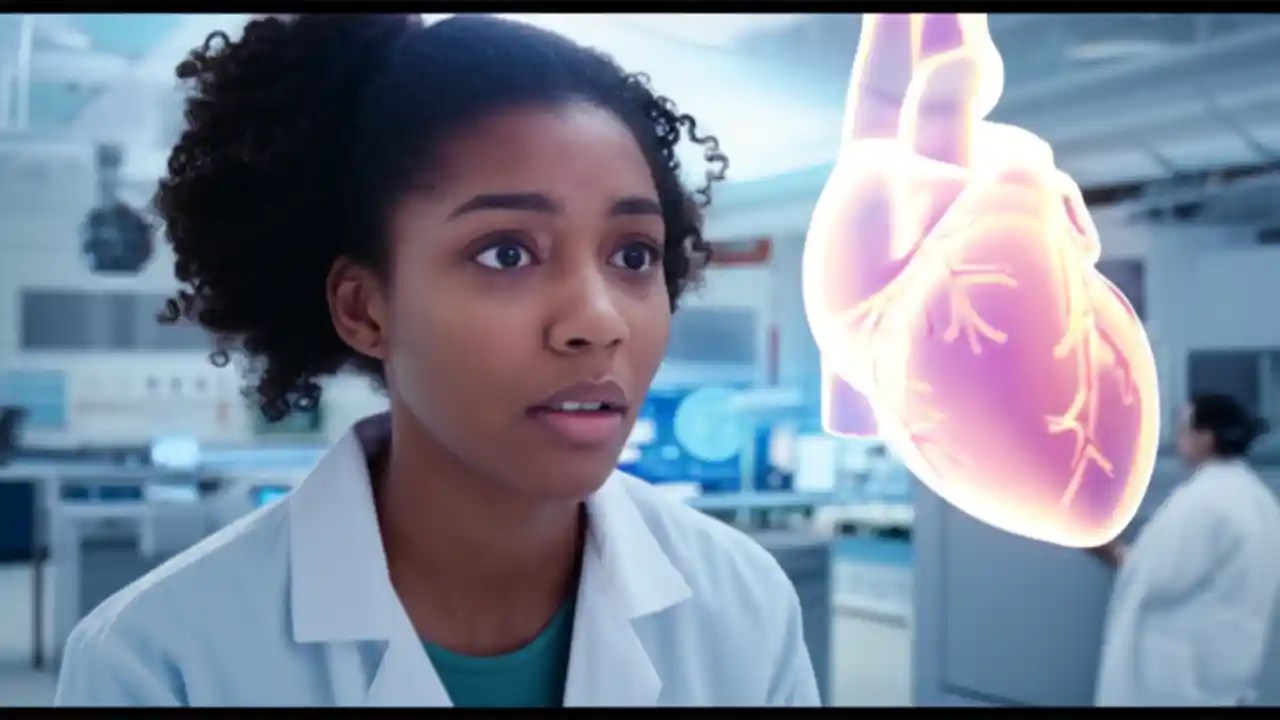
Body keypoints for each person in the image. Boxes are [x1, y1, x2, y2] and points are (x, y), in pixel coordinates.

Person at [53, 14, 820, 707]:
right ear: (364, 309)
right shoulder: (160, 663)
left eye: (633, 254)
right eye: (506, 252)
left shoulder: (743, 607)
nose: (598, 321)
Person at [1090, 393, 1280, 706]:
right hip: (1223, 679)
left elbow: (1154, 577)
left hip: (1172, 686)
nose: (1177, 438)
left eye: (1182, 429)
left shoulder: (1203, 502)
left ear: (1206, 438)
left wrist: (1102, 544)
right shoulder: (1261, 502)